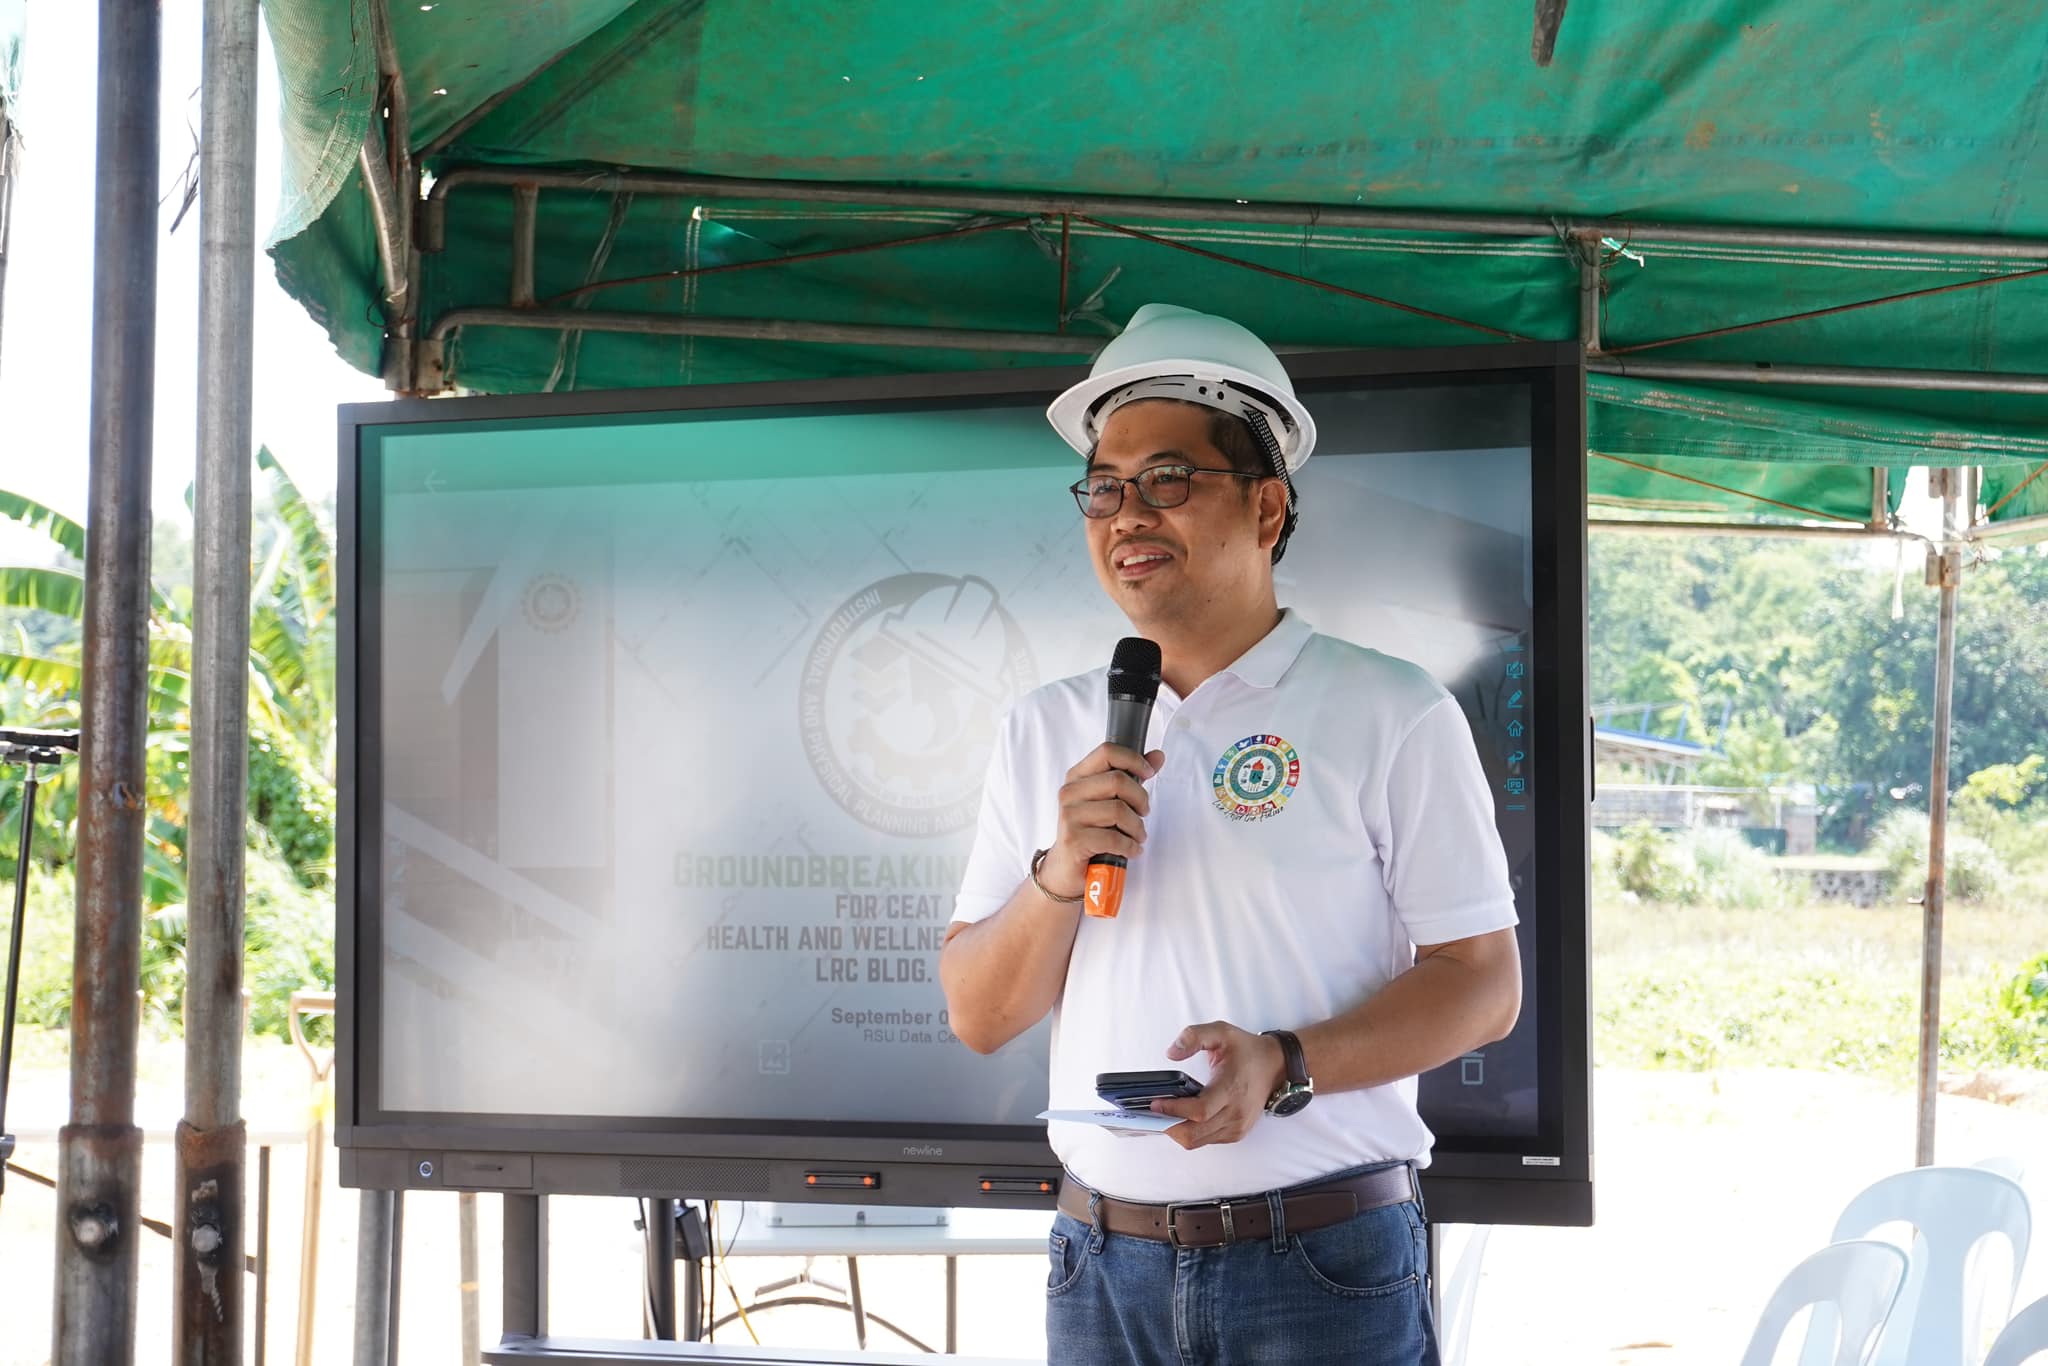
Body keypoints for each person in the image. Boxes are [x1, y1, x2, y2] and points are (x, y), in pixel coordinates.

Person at [939, 303, 1523, 1365]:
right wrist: (1058, 873)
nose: (1125, 515)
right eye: (1103, 488)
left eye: (1165, 479)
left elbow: (1481, 984)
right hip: (1098, 1266)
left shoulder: (1390, 711)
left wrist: (1285, 1062)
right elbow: (979, 1012)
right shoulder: (1045, 727)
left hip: (1320, 1265)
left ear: (1264, 507)